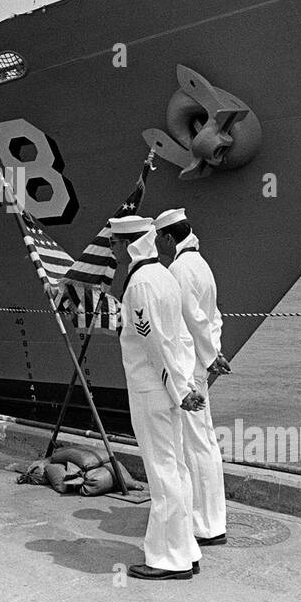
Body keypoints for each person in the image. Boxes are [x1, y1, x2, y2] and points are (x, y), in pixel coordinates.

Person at [109, 215, 203, 580]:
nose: (114, 249)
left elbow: (155, 342)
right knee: (177, 469)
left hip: (153, 390)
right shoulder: (164, 275)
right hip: (170, 387)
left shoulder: (141, 284)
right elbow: (179, 338)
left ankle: (167, 559)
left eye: (117, 242)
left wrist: (179, 390)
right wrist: (186, 383)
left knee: (162, 474)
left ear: (130, 243)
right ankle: (186, 549)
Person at [154, 208, 228, 545]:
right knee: (206, 443)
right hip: (200, 361)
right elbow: (215, 318)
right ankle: (213, 520)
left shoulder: (180, 269)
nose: (158, 244)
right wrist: (214, 353)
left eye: (160, 238)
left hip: (189, 367)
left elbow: (192, 318)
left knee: (195, 445)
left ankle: (206, 526)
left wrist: (209, 359)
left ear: (169, 237)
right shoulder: (203, 265)